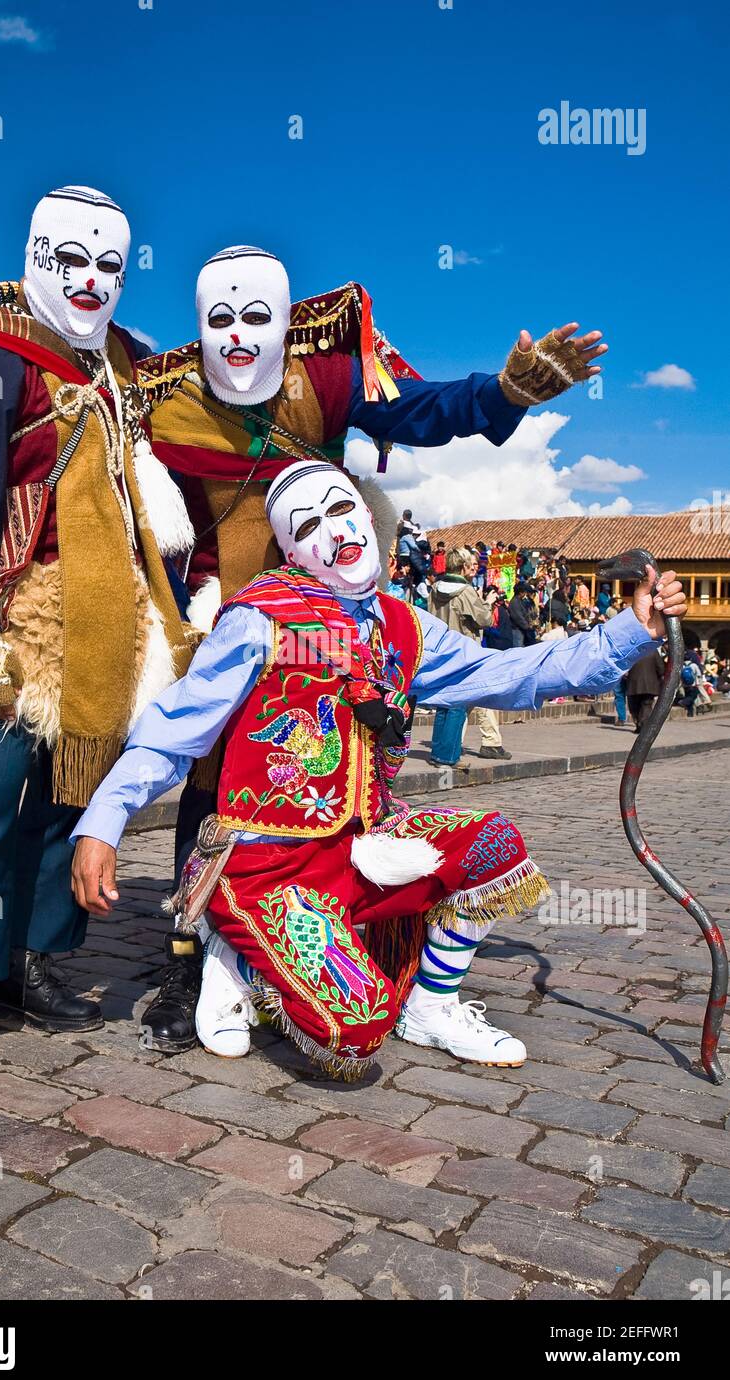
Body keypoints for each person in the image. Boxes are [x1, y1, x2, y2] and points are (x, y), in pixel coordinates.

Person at [134, 246, 608, 1048]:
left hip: (334, 597)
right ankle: (200, 952)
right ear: (198, 323)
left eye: (259, 316)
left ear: (285, 321)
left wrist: (499, 394)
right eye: (222, 318)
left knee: (345, 763)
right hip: (228, 611)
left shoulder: (324, 377)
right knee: (218, 773)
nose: (242, 335)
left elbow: (415, 410)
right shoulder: (162, 403)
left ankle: (335, 917)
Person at [71, 460, 686, 1075]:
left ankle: (430, 1006)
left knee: (492, 843)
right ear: (291, 551)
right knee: (358, 1028)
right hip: (271, 865)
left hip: (362, 847)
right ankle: (235, 950)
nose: (333, 533)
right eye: (308, 526)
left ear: (366, 514)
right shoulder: (259, 617)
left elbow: (514, 673)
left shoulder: (405, 626)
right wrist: (105, 820)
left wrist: (631, 631)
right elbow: (179, 726)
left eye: (340, 510)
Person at [0, 186, 194, 1099]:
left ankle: (21, 963)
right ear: (36, 255)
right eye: (70, 258)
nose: (90, 279)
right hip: (13, 608)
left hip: (108, 620)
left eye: (109, 263)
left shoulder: (129, 367)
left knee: (66, 805)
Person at [428, 548, 511, 763]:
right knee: (459, 704)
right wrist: (488, 601)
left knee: (447, 703)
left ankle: (446, 750)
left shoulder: (435, 588)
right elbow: (484, 619)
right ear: (463, 567)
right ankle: (449, 755)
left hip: (442, 650)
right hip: (465, 651)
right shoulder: (465, 591)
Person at [626, 648, 665, 732]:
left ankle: (639, 724)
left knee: (635, 706)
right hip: (649, 685)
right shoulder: (653, 651)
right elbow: (661, 668)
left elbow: (625, 667)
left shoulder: (632, 651)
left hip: (634, 684)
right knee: (646, 705)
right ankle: (643, 724)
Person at [509, 580, 536, 648]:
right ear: (521, 592)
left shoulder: (520, 601)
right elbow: (518, 618)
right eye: (525, 592)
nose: (525, 594)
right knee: (518, 649)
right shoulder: (514, 602)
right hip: (517, 630)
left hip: (521, 630)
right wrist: (527, 627)